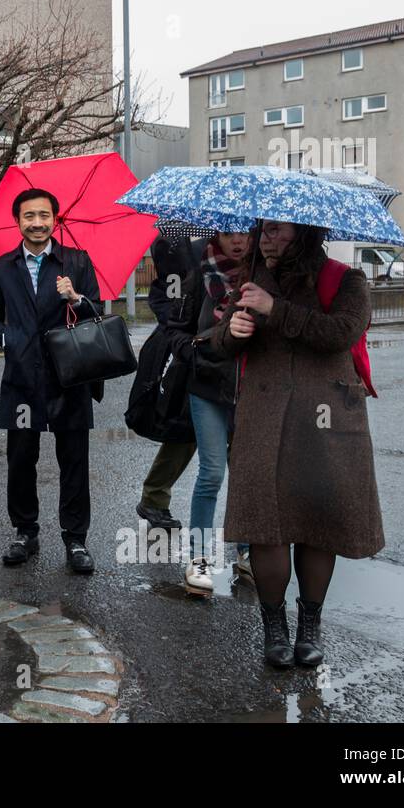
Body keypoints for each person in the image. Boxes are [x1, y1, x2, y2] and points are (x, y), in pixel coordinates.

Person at [213, 219, 382, 667]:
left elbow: (341, 333)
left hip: (325, 420)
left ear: (304, 233)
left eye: (277, 231)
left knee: (316, 524)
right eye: (262, 231)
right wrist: (231, 334)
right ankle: (274, 629)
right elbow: (217, 341)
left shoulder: (345, 279)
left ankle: (310, 626)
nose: (265, 238)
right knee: (266, 526)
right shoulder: (249, 280)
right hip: (262, 419)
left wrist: (275, 308)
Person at [0, 188, 100, 574]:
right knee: (20, 459)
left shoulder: (76, 263)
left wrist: (76, 298)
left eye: (44, 215)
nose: (37, 223)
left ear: (55, 218)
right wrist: (6, 337)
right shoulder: (1, 268)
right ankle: (25, 532)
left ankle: (76, 539)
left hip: (70, 377)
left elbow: (97, 313)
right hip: (21, 378)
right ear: (18, 221)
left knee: (74, 461)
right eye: (29, 216)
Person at [167, 231, 249, 595]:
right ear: (218, 234)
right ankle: (199, 558)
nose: (238, 242)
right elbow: (175, 327)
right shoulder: (199, 273)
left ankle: (248, 553)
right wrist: (193, 350)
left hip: (251, 388)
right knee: (212, 473)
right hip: (208, 386)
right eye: (230, 234)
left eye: (246, 234)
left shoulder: (263, 278)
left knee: (247, 475)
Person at [134, 234, 203, 534]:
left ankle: (154, 496)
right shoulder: (182, 251)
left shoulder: (232, 247)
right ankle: (154, 497)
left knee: (191, 429)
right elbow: (168, 305)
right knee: (186, 427)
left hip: (210, 354)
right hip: (188, 354)